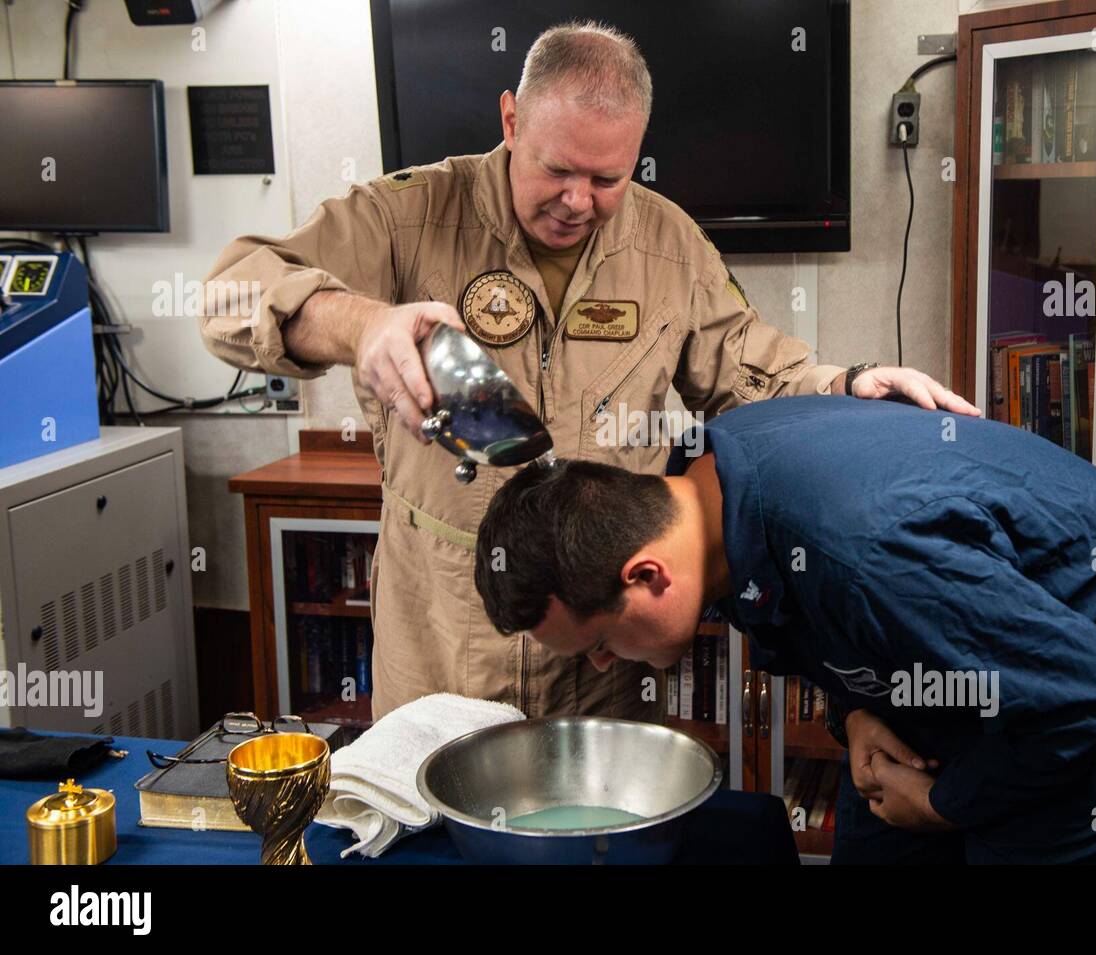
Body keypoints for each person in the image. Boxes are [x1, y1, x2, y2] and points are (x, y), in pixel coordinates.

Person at [198, 21, 978, 722]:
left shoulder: (668, 242)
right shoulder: (407, 216)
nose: (580, 201)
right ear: (510, 120)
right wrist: (361, 324)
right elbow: (230, 293)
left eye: (610, 179)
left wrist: (847, 386)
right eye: (559, 169)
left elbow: (750, 368)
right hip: (444, 642)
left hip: (603, 648)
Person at [473, 395, 1096, 863]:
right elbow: (824, 617)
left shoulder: (861, 548)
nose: (604, 664)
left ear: (647, 575)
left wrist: (948, 804)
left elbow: (1089, 693)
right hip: (964, 645)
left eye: (599, 641)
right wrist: (854, 711)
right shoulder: (702, 491)